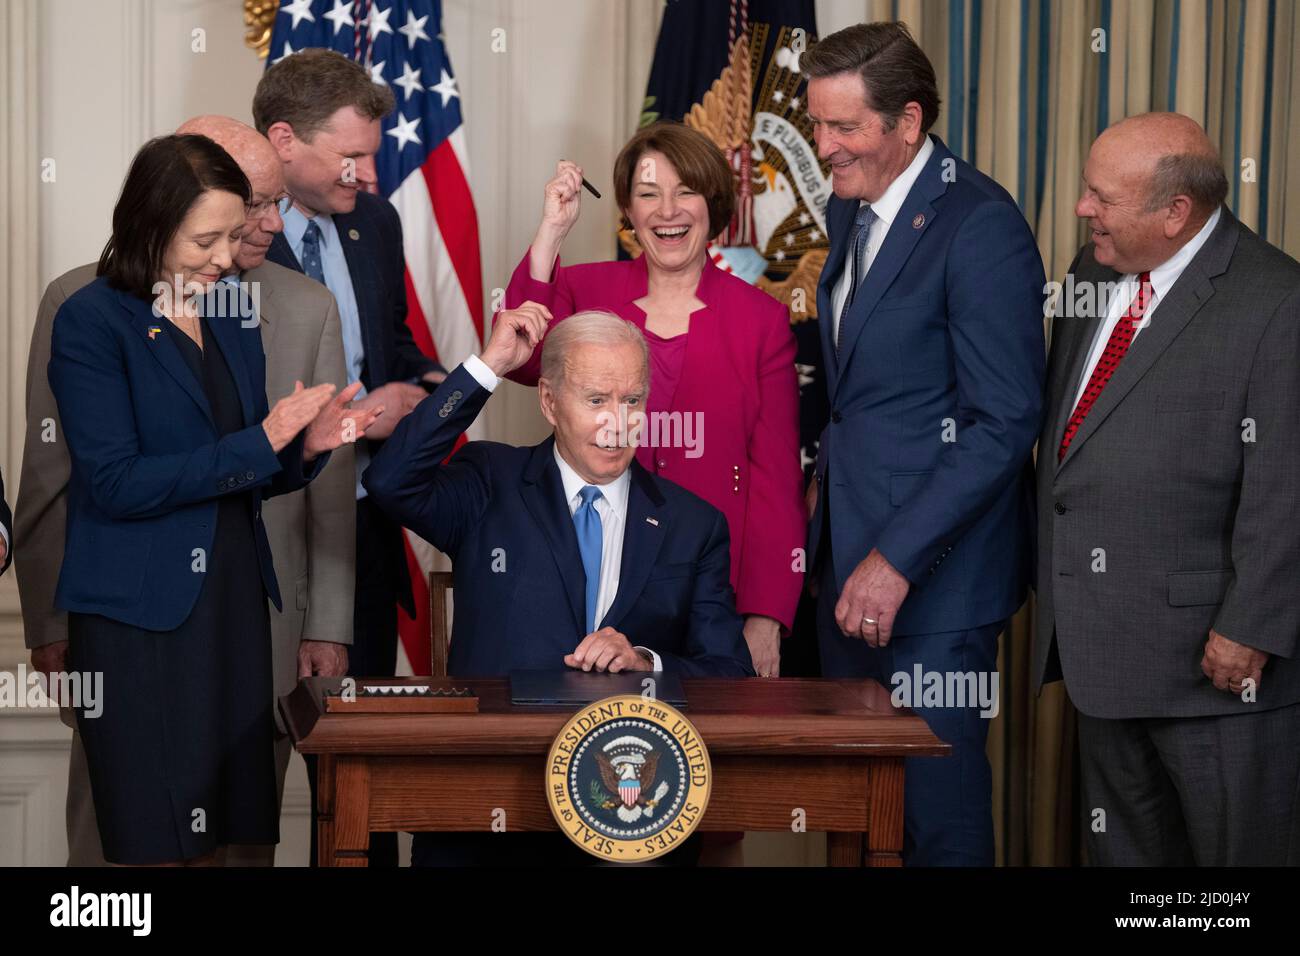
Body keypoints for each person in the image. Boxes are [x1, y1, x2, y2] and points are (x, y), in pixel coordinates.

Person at [18, 116, 357, 867]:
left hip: (233, 610)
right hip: (141, 627)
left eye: (232, 239)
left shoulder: (230, 312)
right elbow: (114, 481)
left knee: (227, 838)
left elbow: (243, 467)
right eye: (204, 242)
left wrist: (302, 452)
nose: (224, 259)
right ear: (150, 225)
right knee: (148, 844)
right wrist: (261, 441)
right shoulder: (92, 320)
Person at [364, 306, 753, 865]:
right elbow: (389, 479)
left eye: (632, 401)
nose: (617, 423)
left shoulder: (695, 525)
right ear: (549, 402)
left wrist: (646, 660)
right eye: (596, 400)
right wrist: (490, 365)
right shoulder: (489, 481)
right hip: (489, 809)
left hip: (629, 819)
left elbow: (731, 674)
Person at [803, 22, 1045, 866]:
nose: (824, 148)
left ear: (908, 122)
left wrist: (895, 558)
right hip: (847, 567)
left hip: (932, 583)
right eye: (818, 124)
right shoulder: (850, 206)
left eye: (845, 128)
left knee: (935, 814)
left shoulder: (979, 224)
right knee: (867, 810)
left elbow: (1005, 420)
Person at [1033, 112, 1300, 866]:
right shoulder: (1090, 277)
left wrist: (1250, 627)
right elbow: (1073, 442)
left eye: (1101, 197)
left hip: (1215, 668)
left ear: (1175, 212)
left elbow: (1287, 485)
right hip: (1101, 658)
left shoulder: (1277, 301)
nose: (1083, 210)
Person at [504, 122, 804, 680]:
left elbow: (776, 479)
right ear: (627, 209)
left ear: (712, 203)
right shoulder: (588, 291)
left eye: (684, 190)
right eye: (648, 194)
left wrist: (765, 615)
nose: (668, 211)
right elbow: (520, 358)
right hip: (595, 581)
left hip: (711, 595)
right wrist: (551, 232)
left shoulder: (760, 320)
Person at [255, 48, 445, 688]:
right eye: (352, 156)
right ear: (284, 140)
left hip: (362, 523)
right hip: (261, 515)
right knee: (253, 753)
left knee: (355, 756)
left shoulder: (375, 221)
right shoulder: (230, 237)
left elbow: (391, 340)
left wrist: (424, 387)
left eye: (372, 153)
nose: (368, 173)